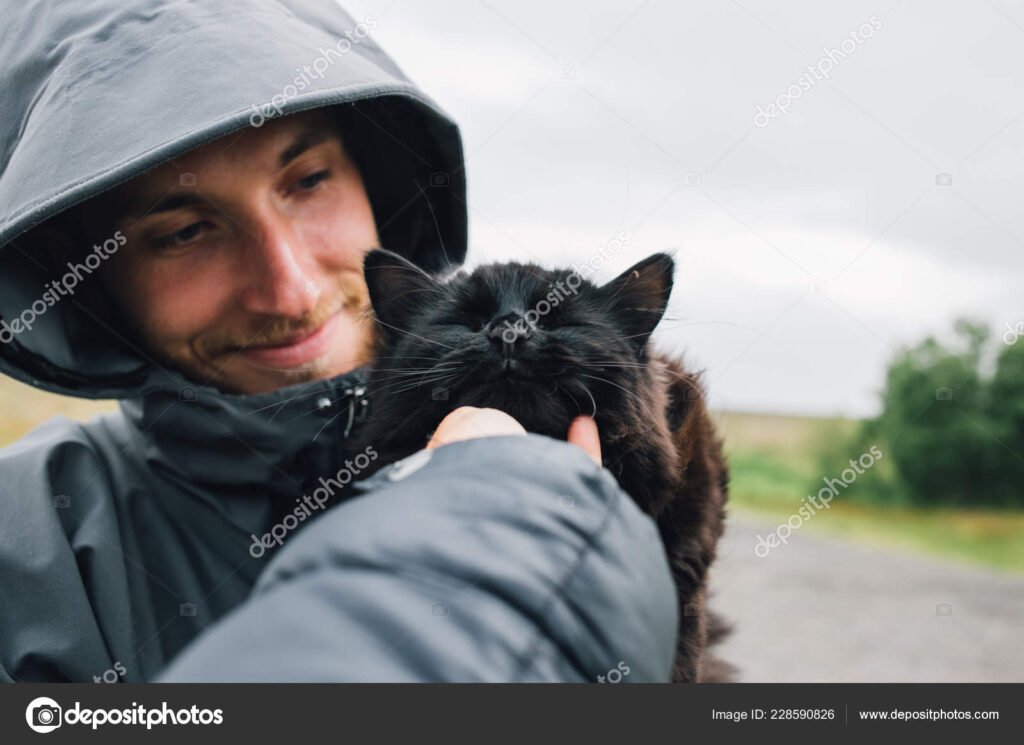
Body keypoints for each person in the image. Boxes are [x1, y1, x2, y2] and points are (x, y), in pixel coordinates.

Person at [0, 0, 677, 682]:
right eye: (183, 231)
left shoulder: (623, 457)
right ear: (87, 281)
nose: (289, 290)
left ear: (378, 178)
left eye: (309, 181)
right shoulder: (26, 538)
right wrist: (500, 524)